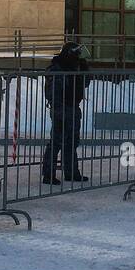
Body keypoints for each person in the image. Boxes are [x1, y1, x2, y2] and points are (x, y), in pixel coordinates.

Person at [43, 42, 90, 184]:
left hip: (73, 107)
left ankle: (71, 172)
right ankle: (48, 174)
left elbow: (84, 83)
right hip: (61, 108)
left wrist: (84, 69)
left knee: (72, 142)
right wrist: (59, 108)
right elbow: (54, 91)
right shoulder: (58, 67)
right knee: (56, 142)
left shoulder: (73, 66)